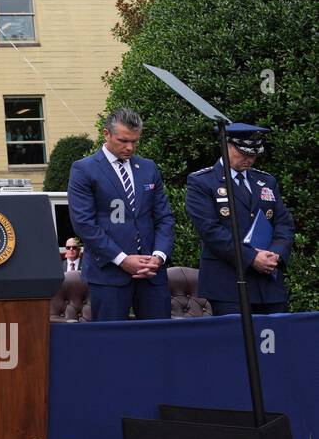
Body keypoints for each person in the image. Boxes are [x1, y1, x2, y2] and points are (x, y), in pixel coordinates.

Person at [67, 108, 175, 321]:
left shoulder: (148, 167)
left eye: (135, 141)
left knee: (160, 340)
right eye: (123, 140)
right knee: (110, 343)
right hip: (108, 275)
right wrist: (122, 259)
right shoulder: (84, 169)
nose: (130, 147)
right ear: (106, 134)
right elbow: (84, 224)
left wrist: (159, 256)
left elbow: (164, 217)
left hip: (151, 275)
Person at [185, 123, 295, 316]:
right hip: (228, 282)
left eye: (254, 154)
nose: (250, 159)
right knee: (235, 342)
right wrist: (251, 258)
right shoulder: (202, 181)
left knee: (275, 340)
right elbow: (211, 231)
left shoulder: (266, 181)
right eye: (244, 153)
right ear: (226, 146)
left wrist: (276, 254)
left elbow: (283, 223)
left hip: (268, 281)